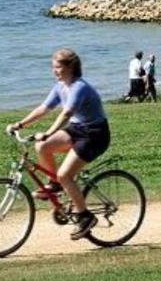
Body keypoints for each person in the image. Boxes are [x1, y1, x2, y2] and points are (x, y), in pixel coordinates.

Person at [6, 49, 110, 240]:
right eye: (53, 67)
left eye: (58, 67)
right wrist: (20, 124)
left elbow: (66, 114)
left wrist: (48, 132)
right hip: (77, 129)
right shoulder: (60, 86)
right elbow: (44, 108)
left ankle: (85, 217)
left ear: (70, 67)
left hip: (95, 135)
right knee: (42, 147)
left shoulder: (80, 87)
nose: (54, 71)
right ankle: (55, 184)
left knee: (65, 174)